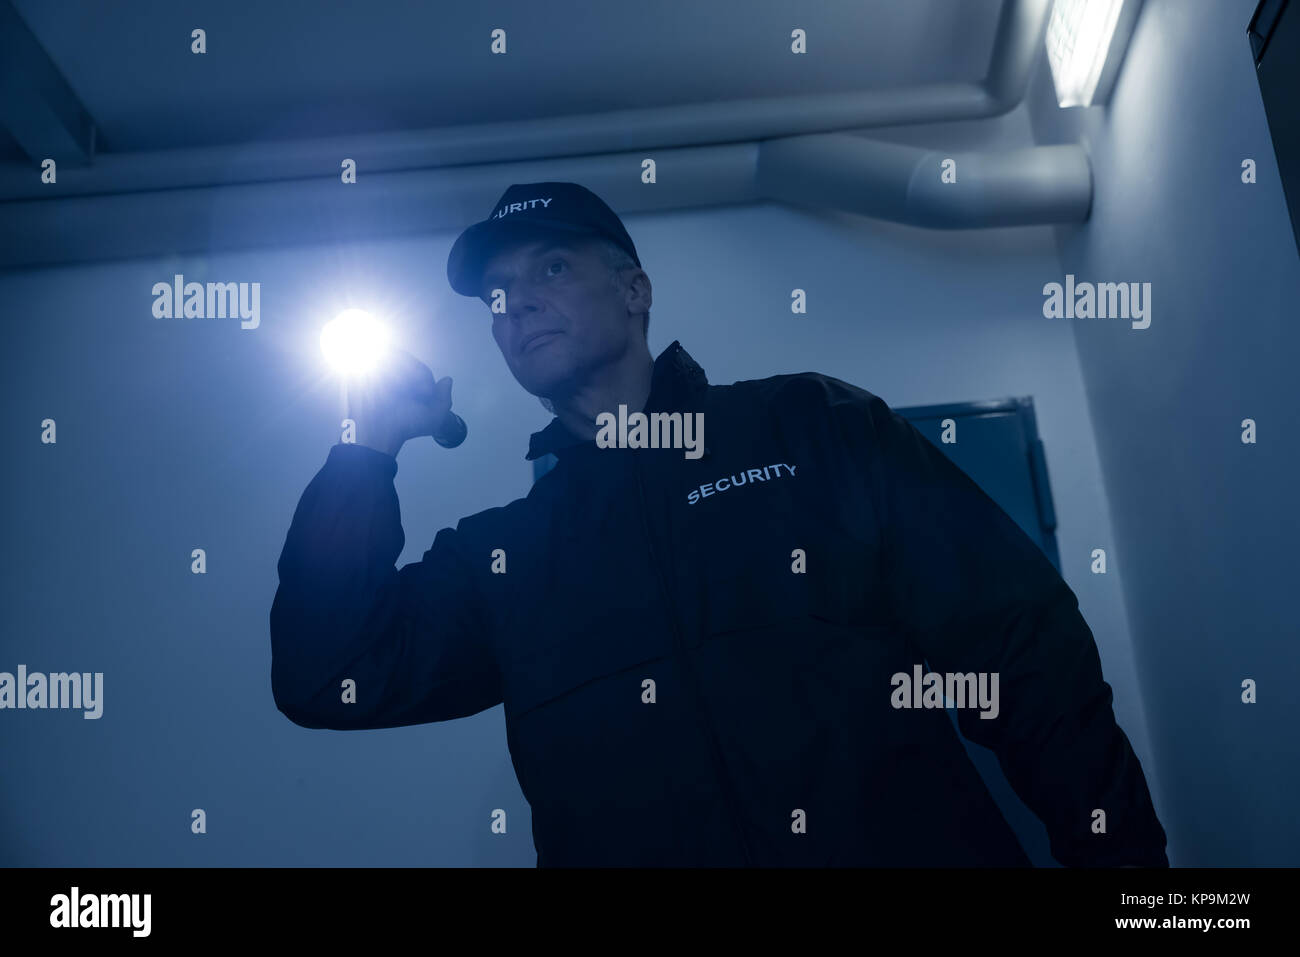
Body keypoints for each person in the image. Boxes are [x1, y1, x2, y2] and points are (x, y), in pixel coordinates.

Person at [269, 181, 1169, 867]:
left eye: (549, 267)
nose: (518, 303)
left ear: (635, 291)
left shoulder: (812, 428)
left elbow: (1020, 649)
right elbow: (331, 672)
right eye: (497, 294)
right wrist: (367, 447)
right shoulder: (505, 556)